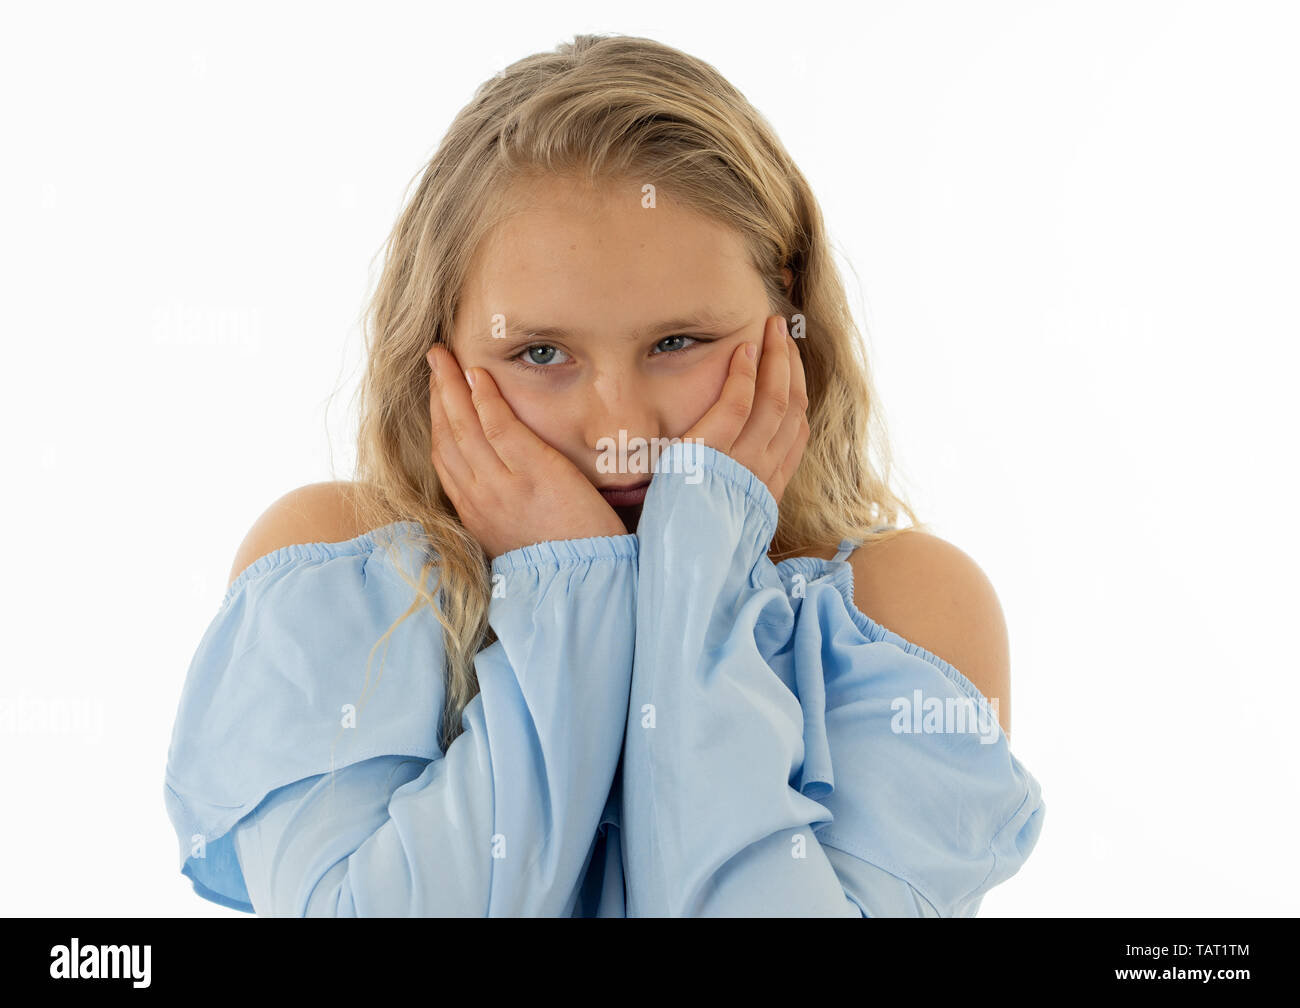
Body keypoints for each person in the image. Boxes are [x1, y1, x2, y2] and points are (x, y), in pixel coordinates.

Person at [163, 33, 1045, 916]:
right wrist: (570, 593)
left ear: (787, 311)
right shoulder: (341, 571)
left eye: (679, 342)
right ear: (438, 345)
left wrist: (697, 573)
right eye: (541, 353)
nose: (622, 432)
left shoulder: (905, 613)